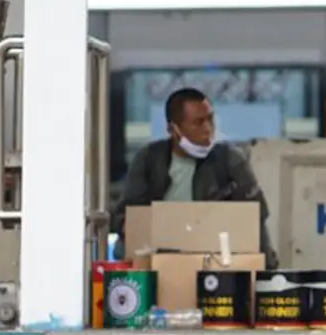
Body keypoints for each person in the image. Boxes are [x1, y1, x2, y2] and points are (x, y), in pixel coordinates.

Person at [113, 88, 271, 253]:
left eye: (210, 120)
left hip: (215, 260)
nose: (208, 129)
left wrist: (266, 270)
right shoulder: (148, 159)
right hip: (158, 258)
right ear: (173, 130)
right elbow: (126, 216)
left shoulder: (230, 159)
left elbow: (256, 216)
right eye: (198, 122)